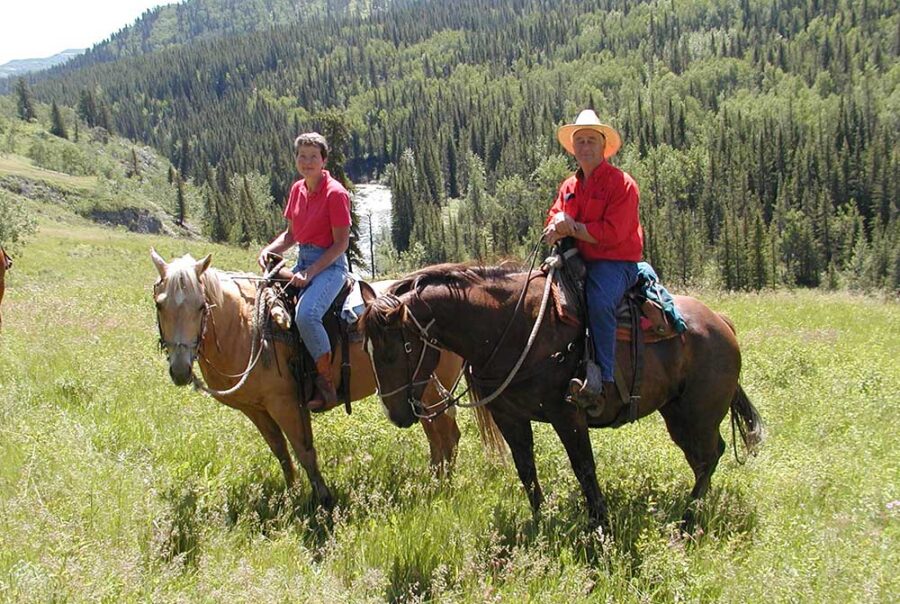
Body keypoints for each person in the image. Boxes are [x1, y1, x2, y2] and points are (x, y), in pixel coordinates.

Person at [543, 109, 644, 411]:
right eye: (580, 141)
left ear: (603, 147)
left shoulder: (622, 184)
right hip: (574, 260)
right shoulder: (569, 186)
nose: (585, 146)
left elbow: (614, 232)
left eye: (591, 141)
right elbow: (553, 215)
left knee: (599, 301)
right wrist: (554, 227)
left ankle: (603, 378)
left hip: (614, 264)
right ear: (573, 148)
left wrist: (573, 228)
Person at [258, 132, 351, 412]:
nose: (307, 162)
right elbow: (290, 236)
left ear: (323, 160)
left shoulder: (336, 193)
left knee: (307, 316)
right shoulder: (298, 188)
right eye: (302, 156)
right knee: (265, 299)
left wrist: (310, 272)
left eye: (313, 156)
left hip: (330, 266)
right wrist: (269, 250)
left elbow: (341, 244)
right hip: (303, 261)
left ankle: (327, 384)